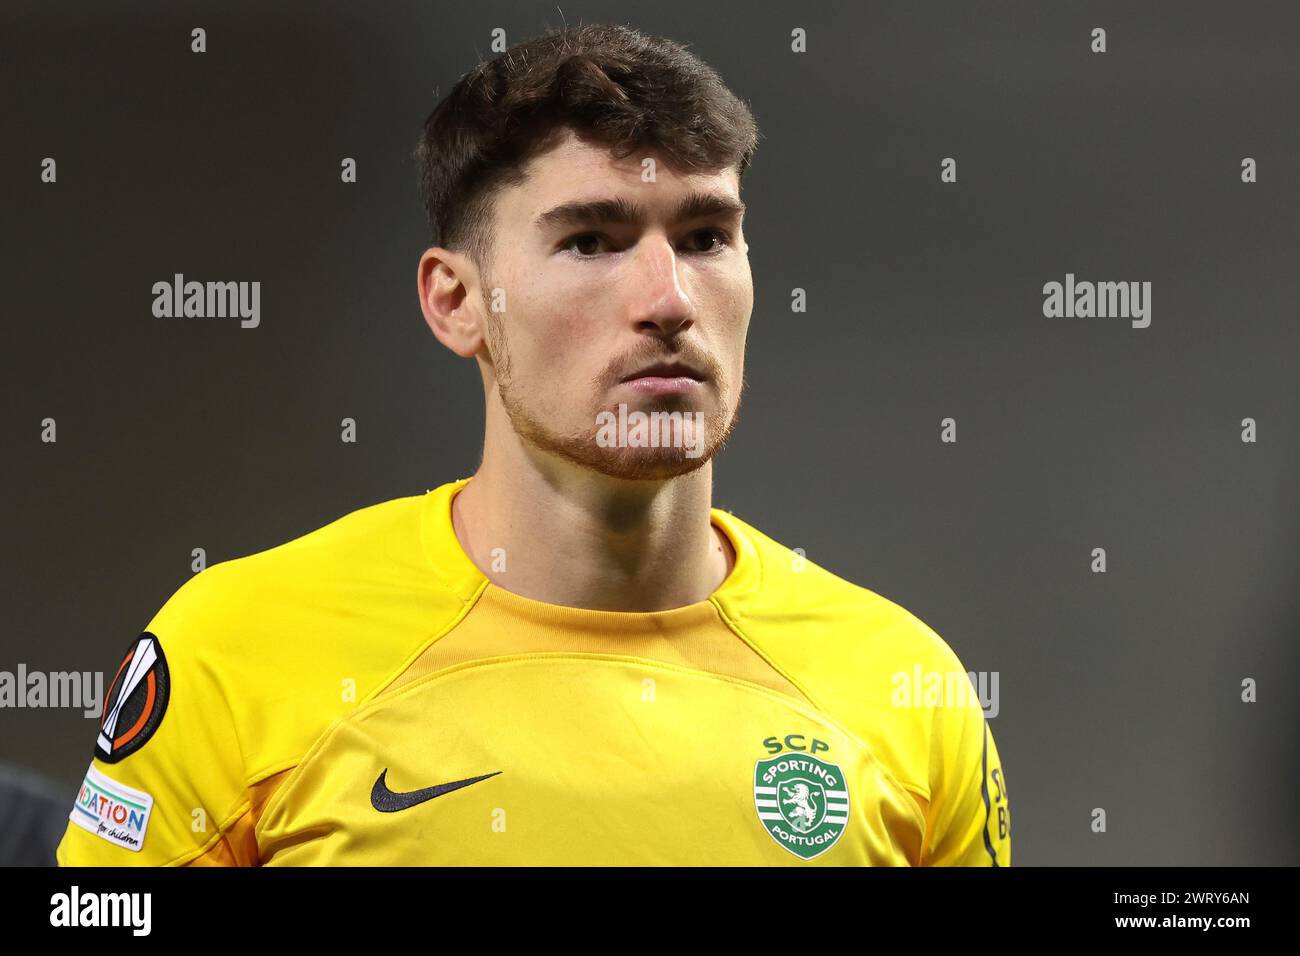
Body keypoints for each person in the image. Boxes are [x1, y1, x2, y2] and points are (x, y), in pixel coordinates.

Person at [56, 22, 1009, 866]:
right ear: (457, 301)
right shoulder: (236, 650)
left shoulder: (903, 686)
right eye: (591, 242)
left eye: (707, 236)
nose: (669, 301)